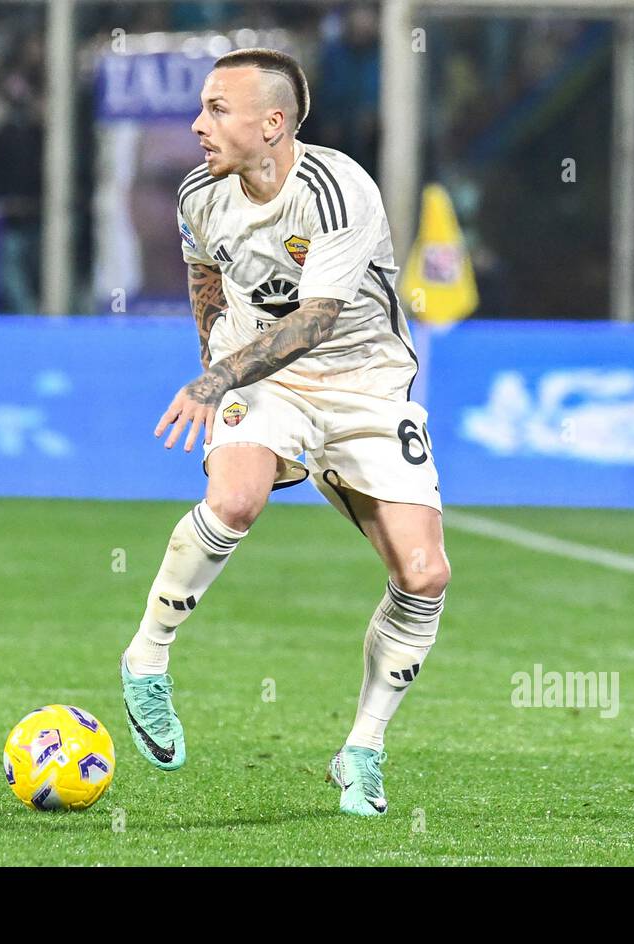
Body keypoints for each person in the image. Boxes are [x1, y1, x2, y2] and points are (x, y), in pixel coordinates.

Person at [120, 48, 450, 817]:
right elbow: (204, 275)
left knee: (423, 573)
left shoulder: (338, 190)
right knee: (235, 499)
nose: (199, 125)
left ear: (273, 124)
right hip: (260, 374)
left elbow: (318, 319)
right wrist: (218, 362)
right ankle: (147, 658)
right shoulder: (199, 193)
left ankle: (362, 748)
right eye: (200, 109)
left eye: (217, 110)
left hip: (364, 381)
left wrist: (214, 380)